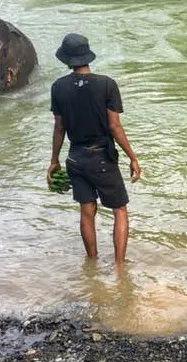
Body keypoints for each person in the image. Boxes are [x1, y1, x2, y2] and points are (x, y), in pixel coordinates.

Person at [47, 33, 142, 263]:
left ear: (67, 60)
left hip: (76, 158)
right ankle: (119, 266)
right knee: (119, 210)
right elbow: (114, 126)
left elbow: (59, 128)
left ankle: (92, 263)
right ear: (88, 57)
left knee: (86, 211)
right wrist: (133, 157)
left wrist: (54, 160)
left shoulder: (58, 87)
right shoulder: (106, 84)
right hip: (102, 158)